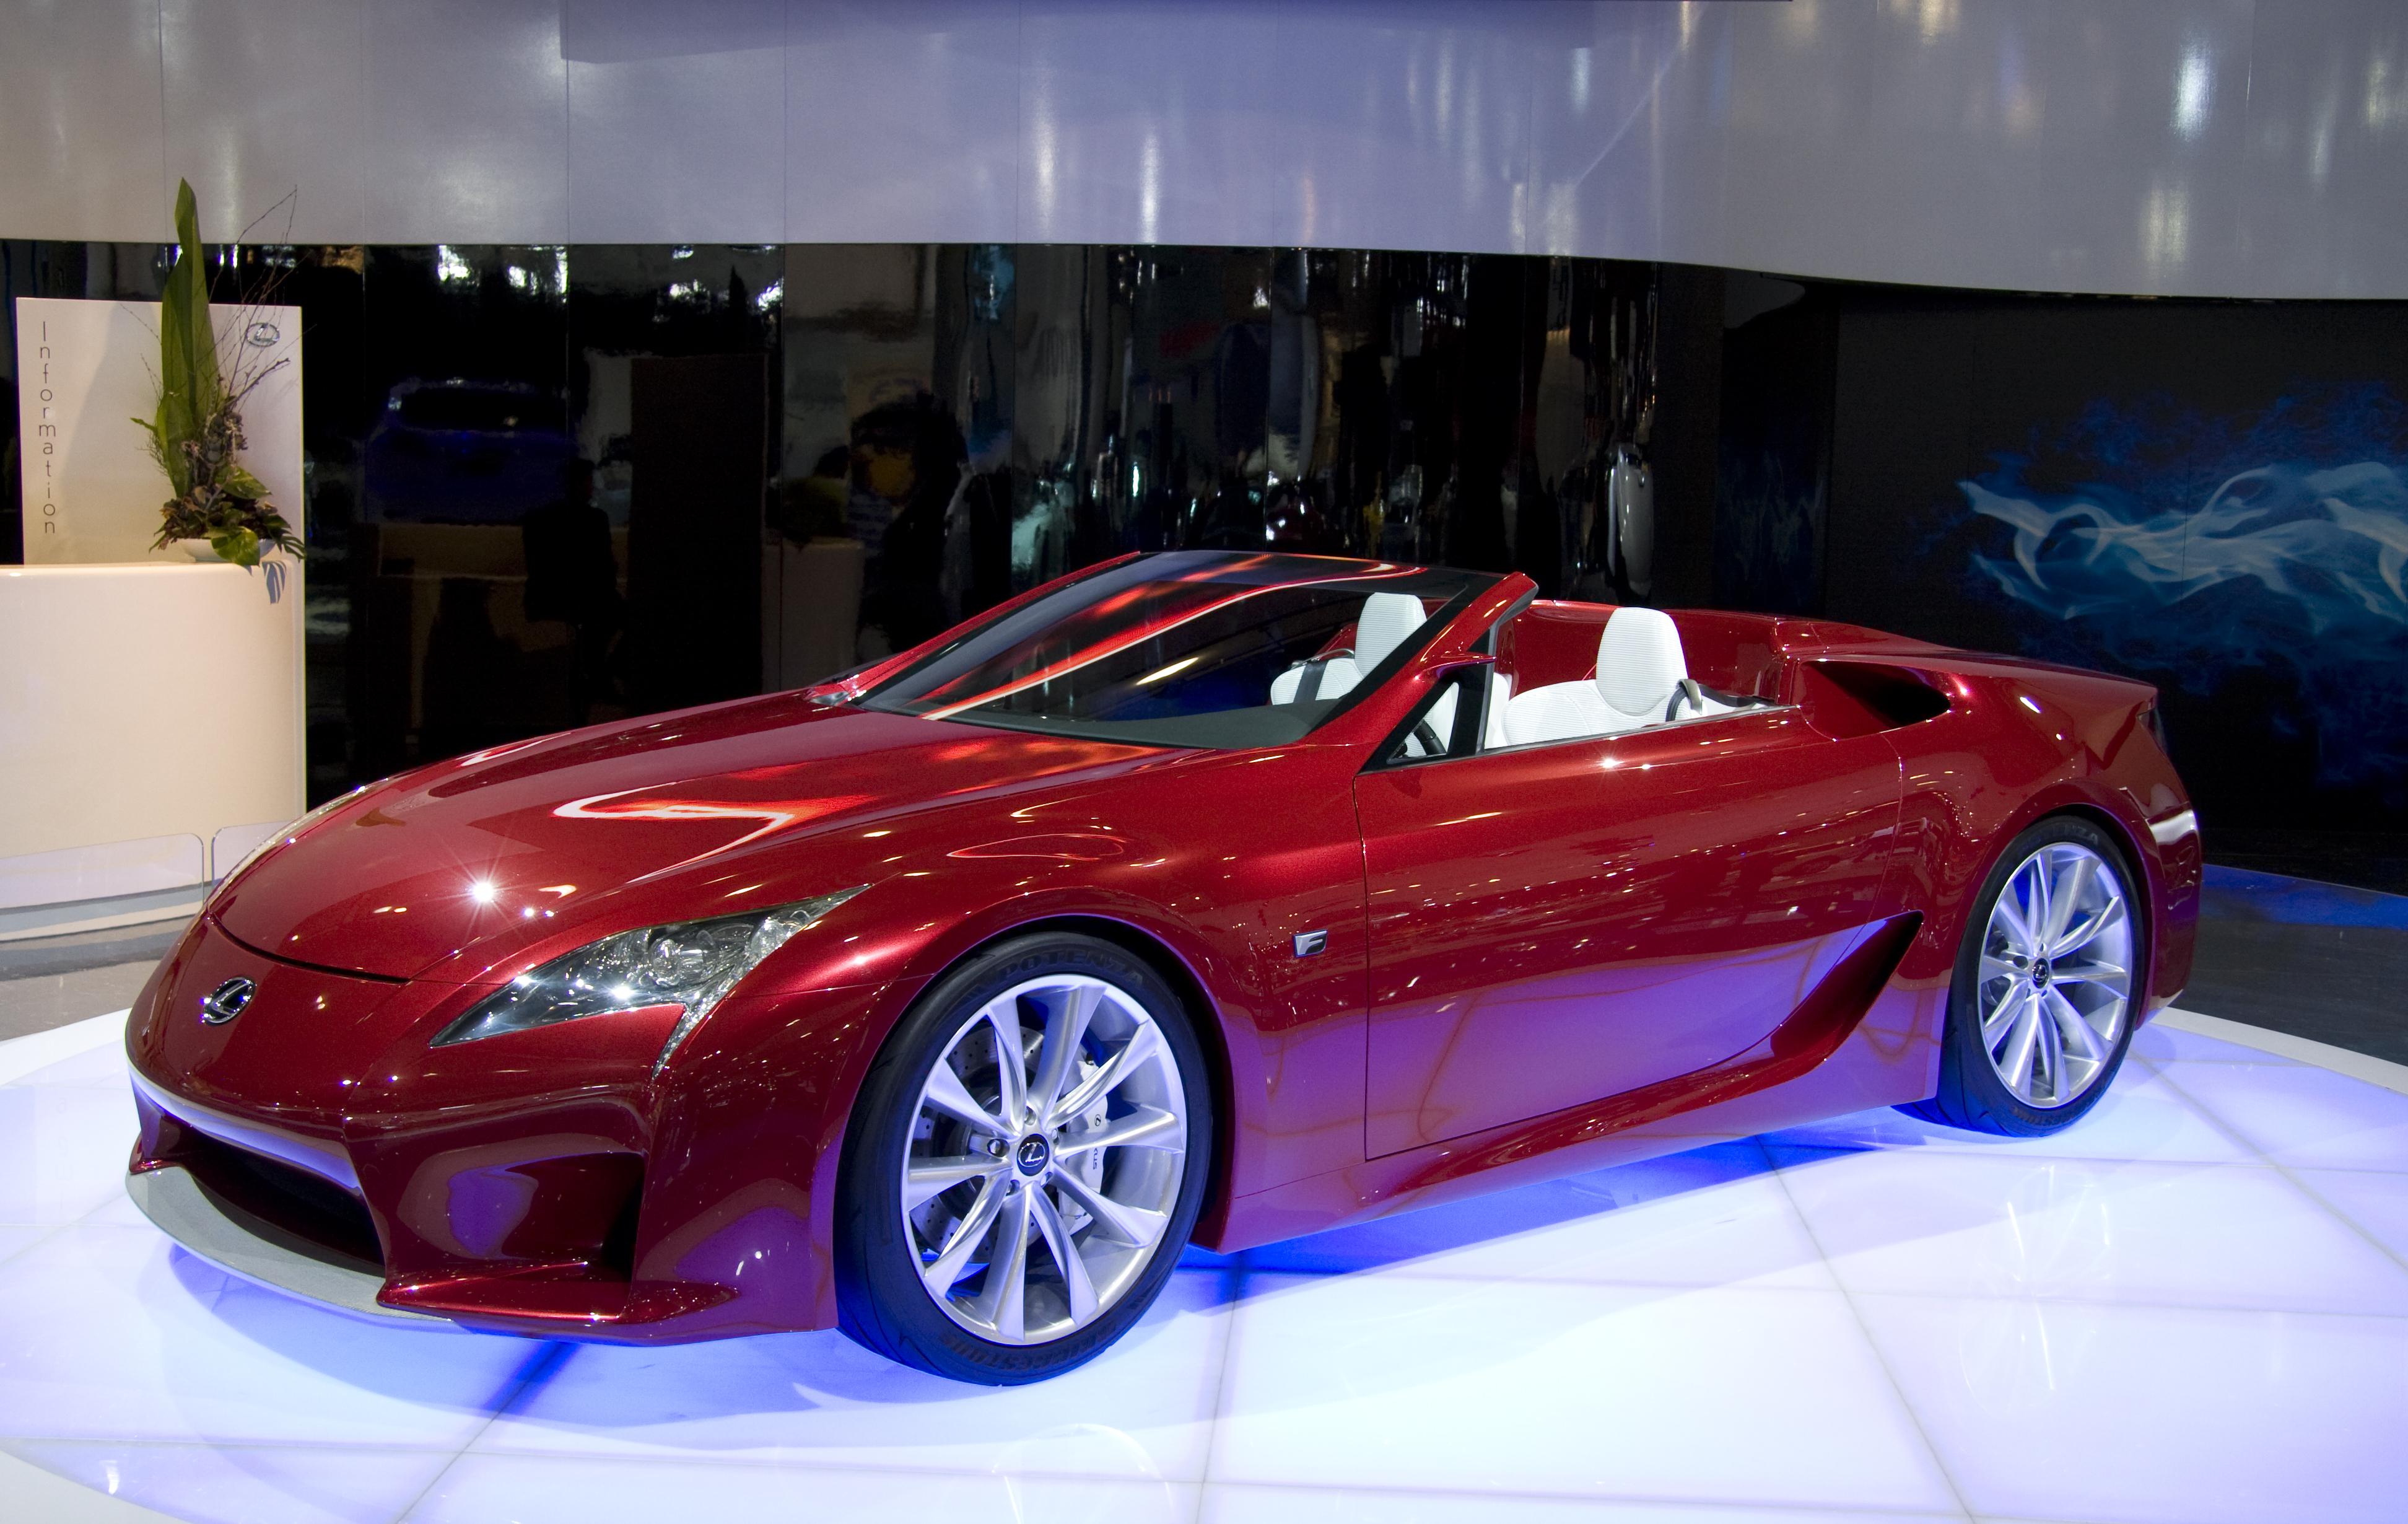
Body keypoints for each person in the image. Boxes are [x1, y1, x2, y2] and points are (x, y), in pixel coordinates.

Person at [521, 458, 622, 721]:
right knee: (620, 614)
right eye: (588, 481)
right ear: (580, 484)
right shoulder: (596, 519)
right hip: (585, 600)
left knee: (598, 618)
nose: (592, 488)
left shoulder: (537, 519)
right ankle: (601, 675)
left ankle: (595, 675)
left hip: (546, 599)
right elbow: (604, 567)